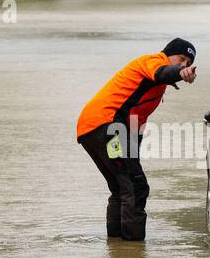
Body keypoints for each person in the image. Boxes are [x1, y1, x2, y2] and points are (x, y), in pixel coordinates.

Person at [77, 38, 197, 241]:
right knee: (137, 186)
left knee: (121, 186)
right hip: (107, 126)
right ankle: (133, 249)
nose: (184, 64)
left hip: (94, 129)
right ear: (167, 54)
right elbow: (163, 72)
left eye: (188, 63)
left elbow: (137, 120)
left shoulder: (155, 88)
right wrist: (179, 73)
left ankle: (117, 250)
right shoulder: (152, 61)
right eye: (181, 58)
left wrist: (133, 156)